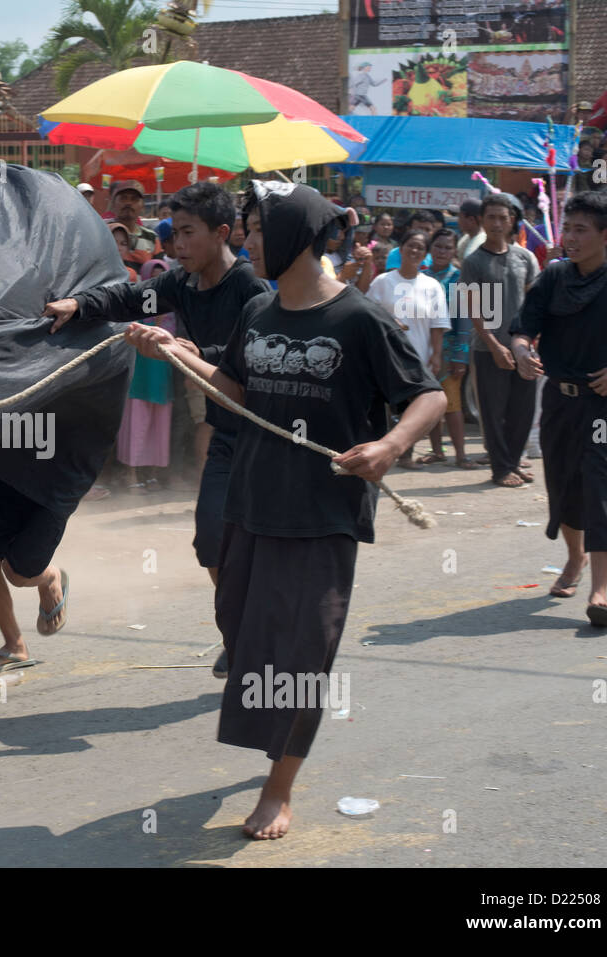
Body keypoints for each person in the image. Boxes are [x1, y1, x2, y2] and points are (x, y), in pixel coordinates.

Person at [122, 181, 445, 840]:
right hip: (252, 499)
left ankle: (280, 786)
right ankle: (270, 740)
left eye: (260, 231)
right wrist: (174, 350)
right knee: (244, 636)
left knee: (303, 653)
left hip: (322, 512)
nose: (248, 241)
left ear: (298, 236)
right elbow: (235, 385)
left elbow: (428, 396)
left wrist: (389, 444)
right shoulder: (260, 312)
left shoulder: (359, 318)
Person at [45, 181, 271, 675]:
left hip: (268, 439)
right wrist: (77, 307)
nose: (177, 245)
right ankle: (240, 632)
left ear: (222, 234)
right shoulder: (180, 284)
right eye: (173, 234)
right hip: (226, 436)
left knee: (262, 546)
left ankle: (261, 633)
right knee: (211, 541)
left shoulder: (252, 290)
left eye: (188, 233)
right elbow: (129, 298)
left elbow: (248, 366)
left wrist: (186, 352)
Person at [511, 190, 607, 626]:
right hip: (559, 399)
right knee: (563, 484)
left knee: (599, 482)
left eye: (580, 230)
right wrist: (519, 351)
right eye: (567, 228)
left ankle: (601, 593)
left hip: (605, 402)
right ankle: (576, 558)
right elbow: (522, 329)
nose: (569, 237)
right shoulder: (553, 279)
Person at [462, 192, 539, 488]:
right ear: (482, 221)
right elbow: (473, 307)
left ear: (512, 222)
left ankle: (514, 462)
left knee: (523, 410)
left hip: (523, 348)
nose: (496, 223)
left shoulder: (525, 257)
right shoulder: (474, 262)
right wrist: (493, 345)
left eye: (502, 218)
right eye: (491, 217)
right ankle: (500, 469)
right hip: (488, 348)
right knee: (493, 413)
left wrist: (534, 342)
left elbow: (535, 301)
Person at [366, 229, 450, 468]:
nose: (414, 251)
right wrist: (390, 321)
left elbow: (438, 324)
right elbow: (368, 314)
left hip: (418, 355)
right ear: (400, 249)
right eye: (410, 246)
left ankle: (404, 455)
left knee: (413, 406)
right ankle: (376, 449)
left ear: (425, 255)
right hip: (385, 355)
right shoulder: (383, 282)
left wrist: (436, 354)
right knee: (382, 406)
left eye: (420, 248)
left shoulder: (432, 286)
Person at [115, 258, 174, 494]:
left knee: (158, 428)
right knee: (136, 427)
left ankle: (151, 476)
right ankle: (130, 476)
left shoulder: (174, 306)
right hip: (139, 377)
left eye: (162, 277)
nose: (157, 282)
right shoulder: (135, 304)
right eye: (153, 276)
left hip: (162, 377)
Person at [423, 228, 477, 468]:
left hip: (450, 351)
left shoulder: (459, 279)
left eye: (447, 247)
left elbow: (465, 320)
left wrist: (460, 355)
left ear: (455, 250)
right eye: (438, 246)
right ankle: (438, 451)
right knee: (429, 403)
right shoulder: (420, 276)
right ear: (430, 248)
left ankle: (462, 455)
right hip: (422, 351)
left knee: (452, 405)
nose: (442, 251)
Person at [105, 180, 160, 265]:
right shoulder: (103, 233)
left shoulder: (152, 237)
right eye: (123, 198)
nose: (128, 203)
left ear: (142, 206)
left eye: (134, 199)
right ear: (113, 204)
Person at [456, 198, 485, 264]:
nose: (458, 220)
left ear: (471, 220)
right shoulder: (468, 236)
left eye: (460, 216)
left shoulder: (477, 245)